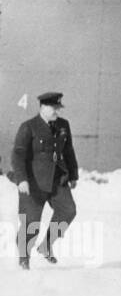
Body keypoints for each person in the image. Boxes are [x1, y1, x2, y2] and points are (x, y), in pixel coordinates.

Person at [11, 91, 79, 270]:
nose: (57, 111)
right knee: (31, 223)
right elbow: (18, 154)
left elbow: (68, 151)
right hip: (33, 182)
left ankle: (46, 245)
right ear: (42, 107)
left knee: (68, 210)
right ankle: (24, 257)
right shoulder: (29, 126)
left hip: (57, 179)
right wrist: (21, 179)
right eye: (53, 107)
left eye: (58, 107)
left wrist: (73, 175)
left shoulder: (64, 125)